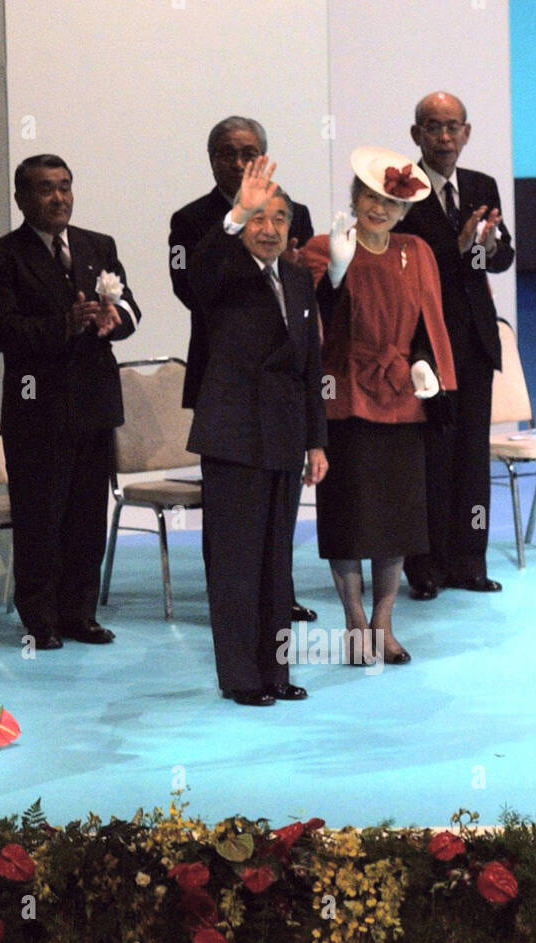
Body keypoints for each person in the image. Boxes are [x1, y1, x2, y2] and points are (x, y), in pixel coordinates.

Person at [0, 154, 140, 648]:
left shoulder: (97, 245)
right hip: (38, 410)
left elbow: (131, 306)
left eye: (65, 186)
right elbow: (4, 332)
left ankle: (79, 614)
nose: (59, 197)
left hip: (94, 405)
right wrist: (63, 326)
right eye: (46, 189)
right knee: (41, 519)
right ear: (22, 198)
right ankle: (40, 620)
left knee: (88, 518)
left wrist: (116, 320)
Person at [302, 147, 456, 665]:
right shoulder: (324, 248)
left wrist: (421, 363)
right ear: (355, 197)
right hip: (345, 398)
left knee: (396, 522)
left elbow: (429, 325)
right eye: (370, 197)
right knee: (347, 520)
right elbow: (314, 325)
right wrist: (337, 276)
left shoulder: (418, 250)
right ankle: (353, 624)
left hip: (400, 400)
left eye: (390, 201)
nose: (379, 208)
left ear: (404, 209)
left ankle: (384, 625)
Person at [187, 156, 328, 706]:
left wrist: (316, 440)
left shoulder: (296, 278)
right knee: (235, 564)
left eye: (279, 219)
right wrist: (231, 216)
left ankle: (275, 671)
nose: (269, 229)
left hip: (285, 438)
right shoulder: (224, 275)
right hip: (234, 437)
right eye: (257, 219)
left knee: (276, 566)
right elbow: (197, 274)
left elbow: (312, 365)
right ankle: (241, 677)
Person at [169, 116, 316, 624]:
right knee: (233, 515)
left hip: (282, 391)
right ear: (211, 159)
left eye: (247, 153)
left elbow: (307, 292)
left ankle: (279, 594)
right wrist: (236, 218)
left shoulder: (289, 211)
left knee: (279, 508)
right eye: (226, 153)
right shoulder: (191, 221)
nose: (237, 163)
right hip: (226, 383)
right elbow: (192, 287)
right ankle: (229, 600)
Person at [399, 92, 514, 599]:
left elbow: (502, 256)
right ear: (416, 134)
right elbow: (404, 264)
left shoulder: (482, 185)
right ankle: (424, 568)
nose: (443, 137)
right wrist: (460, 248)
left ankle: (469, 561)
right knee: (427, 459)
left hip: (473, 341)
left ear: (466, 132)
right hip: (422, 344)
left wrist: (487, 247)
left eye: (452, 127)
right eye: (433, 127)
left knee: (471, 457)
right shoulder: (400, 187)